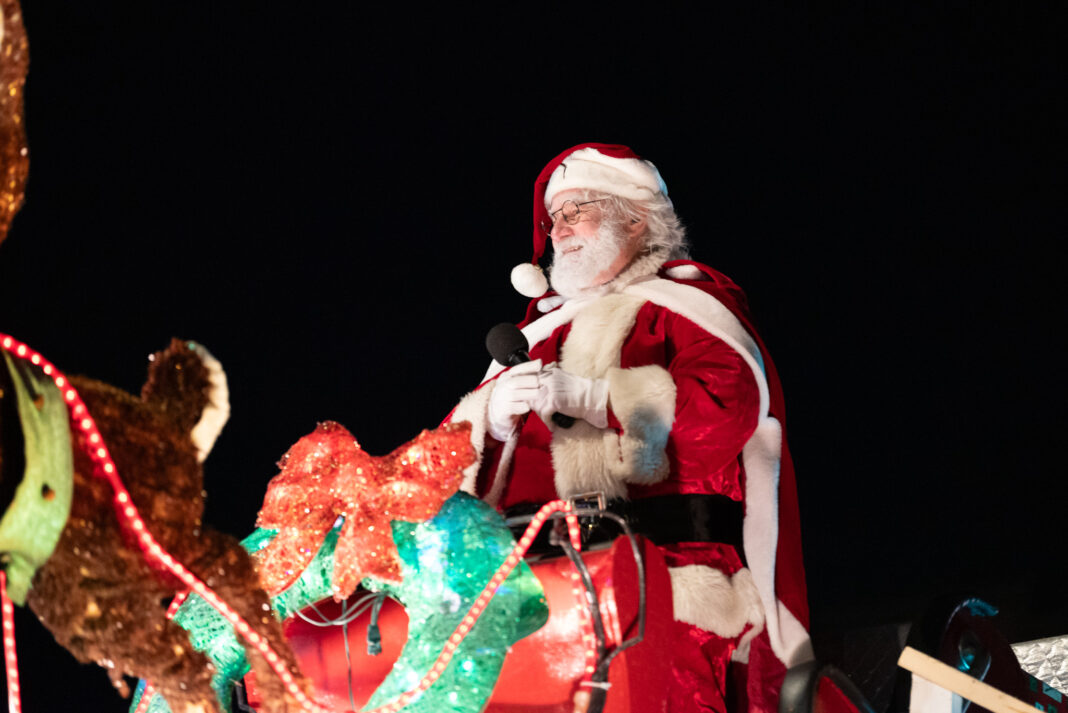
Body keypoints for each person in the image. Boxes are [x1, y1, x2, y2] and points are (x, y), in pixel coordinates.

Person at [447, 143, 811, 713]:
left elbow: (722, 413)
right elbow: (430, 483)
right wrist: (487, 422)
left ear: (636, 217)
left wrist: (600, 398)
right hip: (534, 603)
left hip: (668, 588)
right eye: (553, 218)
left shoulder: (687, 308)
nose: (558, 231)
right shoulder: (536, 337)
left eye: (576, 210)